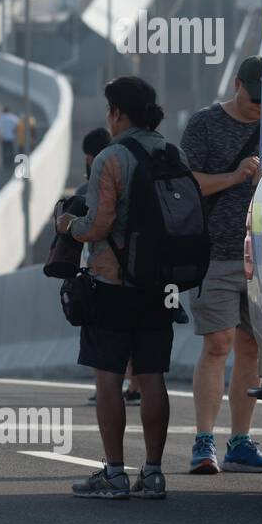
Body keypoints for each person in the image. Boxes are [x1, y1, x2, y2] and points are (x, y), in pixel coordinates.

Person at [55, 77, 179, 500]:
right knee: (152, 377)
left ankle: (112, 472)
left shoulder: (111, 157)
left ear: (118, 113)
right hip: (160, 285)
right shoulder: (168, 150)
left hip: (112, 284)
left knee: (108, 378)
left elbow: (100, 224)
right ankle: (155, 472)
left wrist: (69, 225)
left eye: (110, 109)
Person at [181, 55, 262, 475]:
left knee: (251, 346)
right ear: (236, 84)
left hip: (261, 255)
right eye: (252, 97)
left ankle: (240, 442)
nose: (257, 106)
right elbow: (188, 186)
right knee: (218, 342)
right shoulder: (205, 124)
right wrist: (237, 176)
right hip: (214, 253)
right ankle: (204, 441)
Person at [75, 126, 141, 409]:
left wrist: (70, 225)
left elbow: (93, 227)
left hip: (105, 273)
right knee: (137, 331)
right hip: (142, 270)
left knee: (101, 337)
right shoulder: (133, 169)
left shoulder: (89, 186)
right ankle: (136, 387)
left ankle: (103, 388)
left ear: (89, 157)